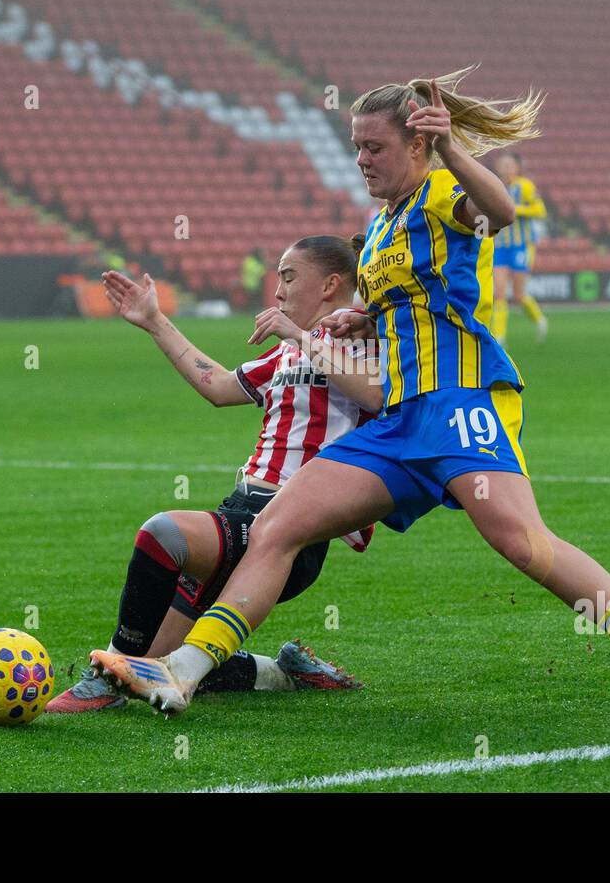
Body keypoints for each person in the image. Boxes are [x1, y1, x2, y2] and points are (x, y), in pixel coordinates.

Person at [96, 67, 610, 722]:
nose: (361, 159)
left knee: (524, 547)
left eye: (373, 147)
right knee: (276, 528)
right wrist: (361, 317)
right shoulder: (379, 224)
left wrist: (455, 148)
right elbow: (405, 297)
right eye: (356, 146)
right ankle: (182, 670)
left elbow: (500, 212)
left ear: (417, 145)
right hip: (396, 420)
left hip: (458, 404)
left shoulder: (441, 194)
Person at [46, 236, 379, 712]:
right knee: (160, 662)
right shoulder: (287, 352)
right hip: (240, 508)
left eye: (289, 277)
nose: (278, 291)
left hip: (292, 525)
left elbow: (374, 396)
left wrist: (299, 334)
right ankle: (284, 672)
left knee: (164, 534)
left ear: (329, 285)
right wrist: (155, 322)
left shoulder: (363, 340)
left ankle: (109, 668)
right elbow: (220, 386)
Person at [490, 150, 548, 344]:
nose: (505, 168)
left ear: (517, 167)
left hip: (520, 246)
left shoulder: (525, 187)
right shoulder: (493, 186)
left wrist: (515, 210)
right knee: (498, 293)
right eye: (502, 164)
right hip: (500, 247)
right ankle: (499, 337)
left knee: (518, 294)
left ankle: (539, 320)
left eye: (509, 165)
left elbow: (540, 210)